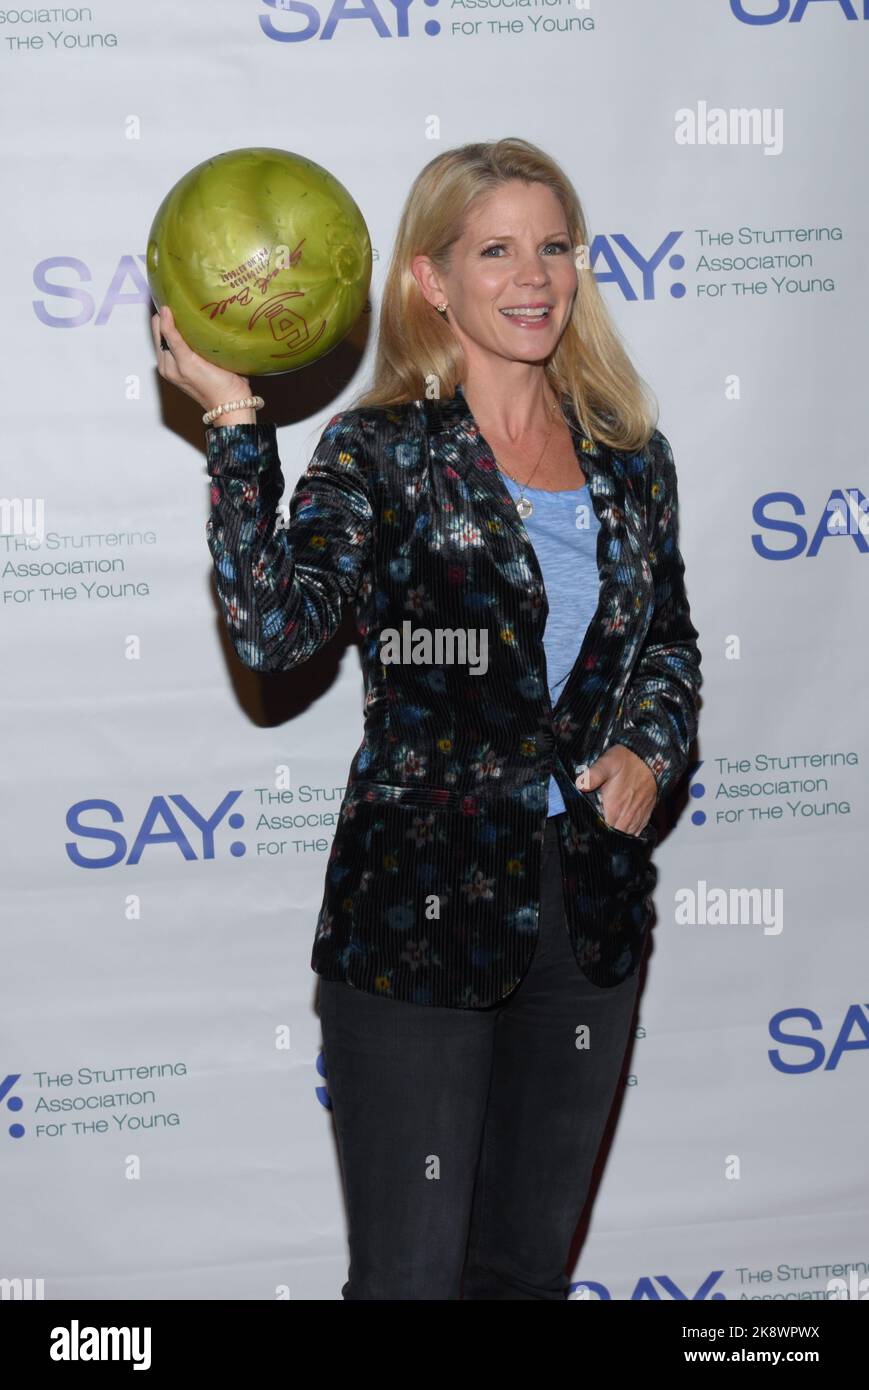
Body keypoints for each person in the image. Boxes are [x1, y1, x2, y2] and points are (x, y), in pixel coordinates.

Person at [151, 137, 702, 1300]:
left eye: (551, 246)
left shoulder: (629, 456)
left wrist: (647, 748)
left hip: (586, 916)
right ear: (429, 281)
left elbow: (667, 646)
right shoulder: (382, 453)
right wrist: (235, 421)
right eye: (494, 249)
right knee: (409, 1281)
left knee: (521, 1274)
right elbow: (271, 635)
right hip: (417, 915)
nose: (532, 275)